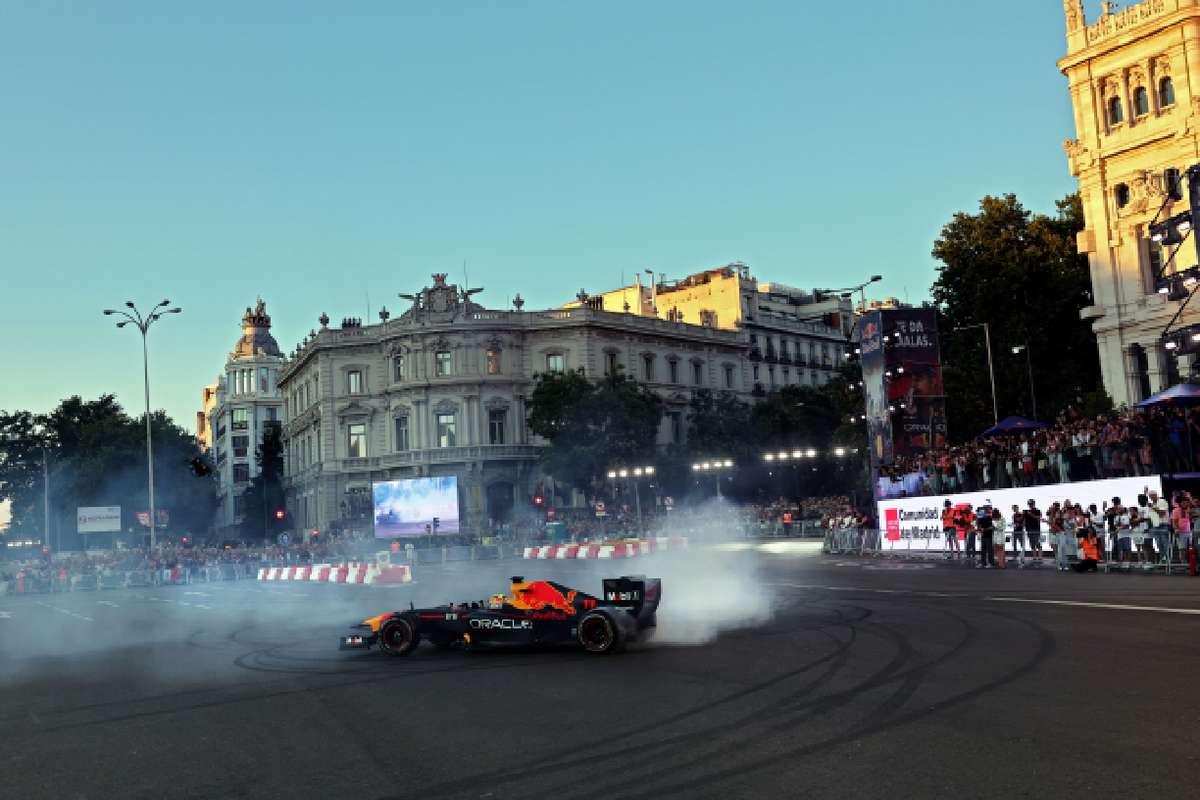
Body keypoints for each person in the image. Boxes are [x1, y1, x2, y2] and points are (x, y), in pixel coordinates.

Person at [1024, 500, 1044, 566]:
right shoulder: (1026, 512)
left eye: (1031, 504)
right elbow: (1024, 520)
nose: (1030, 505)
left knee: (1038, 543)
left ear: (1034, 504)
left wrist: (1031, 514)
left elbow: (1039, 518)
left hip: (1036, 530)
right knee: (1032, 544)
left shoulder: (1038, 511)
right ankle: (1034, 557)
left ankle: (1040, 557)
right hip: (1029, 530)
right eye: (1029, 504)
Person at [977, 502, 996, 569]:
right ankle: (983, 563)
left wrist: (984, 529)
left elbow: (993, 527)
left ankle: (991, 563)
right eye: (985, 509)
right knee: (983, 550)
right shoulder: (981, 518)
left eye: (987, 508)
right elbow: (979, 526)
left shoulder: (991, 518)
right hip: (983, 536)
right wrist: (979, 529)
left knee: (990, 550)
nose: (985, 510)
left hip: (990, 536)